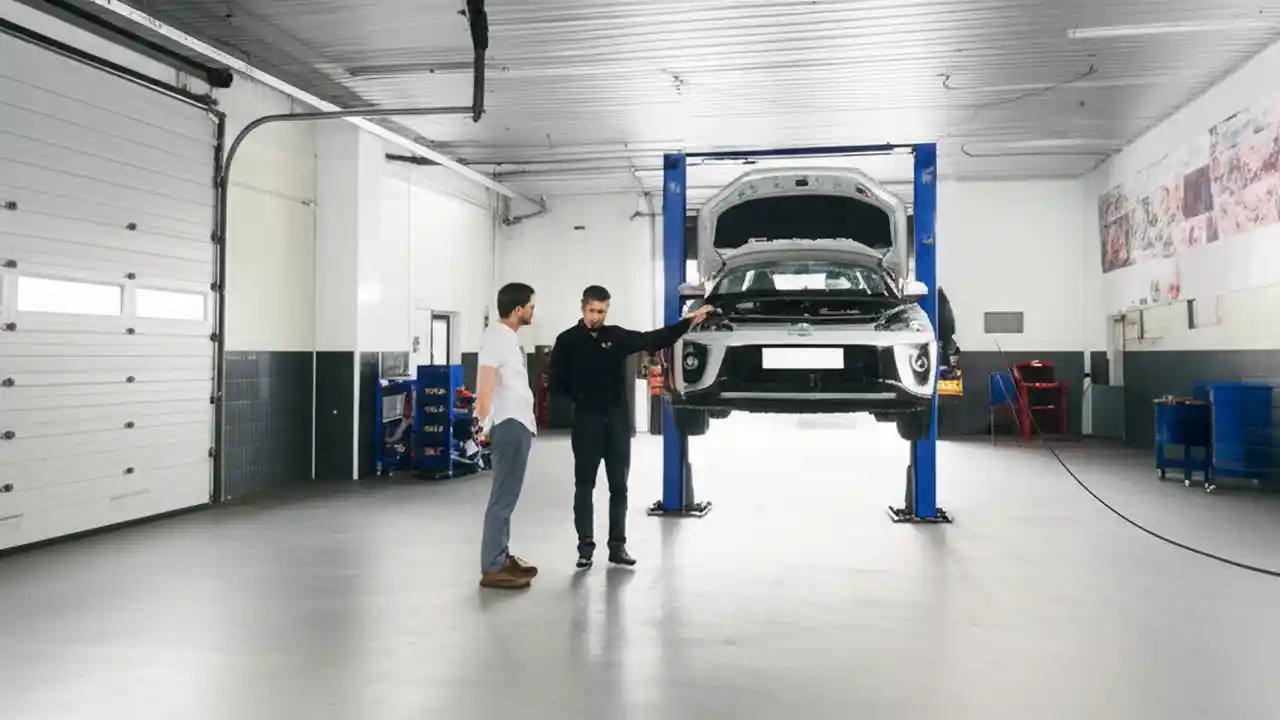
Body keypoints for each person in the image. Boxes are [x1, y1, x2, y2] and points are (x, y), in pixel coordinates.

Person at [550, 285, 715, 569]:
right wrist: (577, 398)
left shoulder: (617, 337)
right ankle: (585, 549)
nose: (596, 316)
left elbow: (655, 339)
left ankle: (618, 547)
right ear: (582, 307)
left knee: (619, 487)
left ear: (607, 310)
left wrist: (690, 320)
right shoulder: (567, 341)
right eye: (591, 310)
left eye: (601, 311)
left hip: (616, 421)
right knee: (584, 486)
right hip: (587, 421)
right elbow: (556, 385)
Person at [476, 282, 539, 590]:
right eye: (531, 307)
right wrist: (480, 423)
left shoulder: (506, 337)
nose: (532, 312)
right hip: (509, 425)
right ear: (518, 310)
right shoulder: (497, 338)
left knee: (507, 498)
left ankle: (500, 556)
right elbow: (485, 383)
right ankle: (492, 566)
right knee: (503, 499)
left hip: (518, 425)